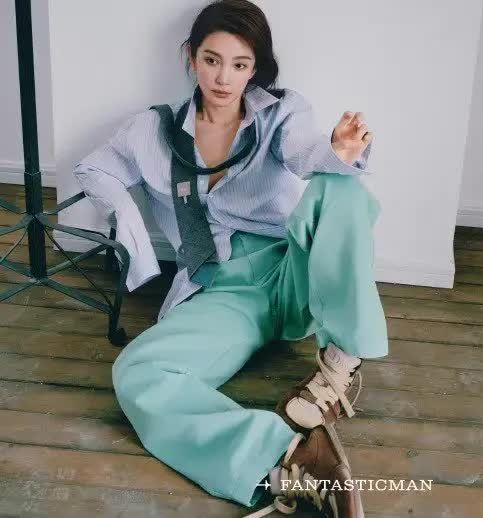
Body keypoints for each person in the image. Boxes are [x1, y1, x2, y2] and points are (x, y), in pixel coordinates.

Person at [72, 1, 388, 516]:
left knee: (343, 188)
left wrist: (336, 150)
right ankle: (286, 462)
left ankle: (342, 360)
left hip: (292, 267)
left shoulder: (281, 113)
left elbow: (308, 155)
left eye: (240, 65)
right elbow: (94, 169)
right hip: (222, 290)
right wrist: (128, 221)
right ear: (191, 57)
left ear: (255, 69)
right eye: (212, 60)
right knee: (136, 371)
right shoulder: (151, 130)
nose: (224, 78)